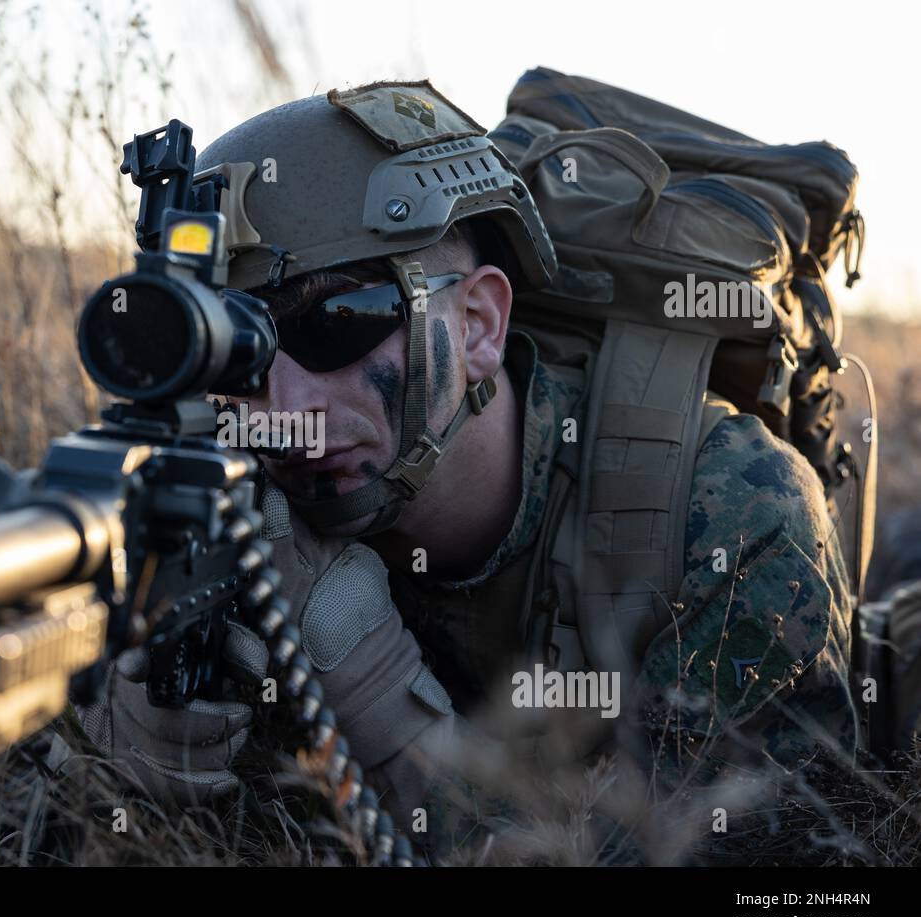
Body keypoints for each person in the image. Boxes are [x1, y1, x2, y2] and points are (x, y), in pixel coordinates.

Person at [76, 81, 860, 857]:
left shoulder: (731, 518)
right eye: (238, 355)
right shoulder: (230, 502)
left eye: (333, 323)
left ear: (479, 324)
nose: (284, 407)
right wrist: (128, 763)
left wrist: (379, 701)